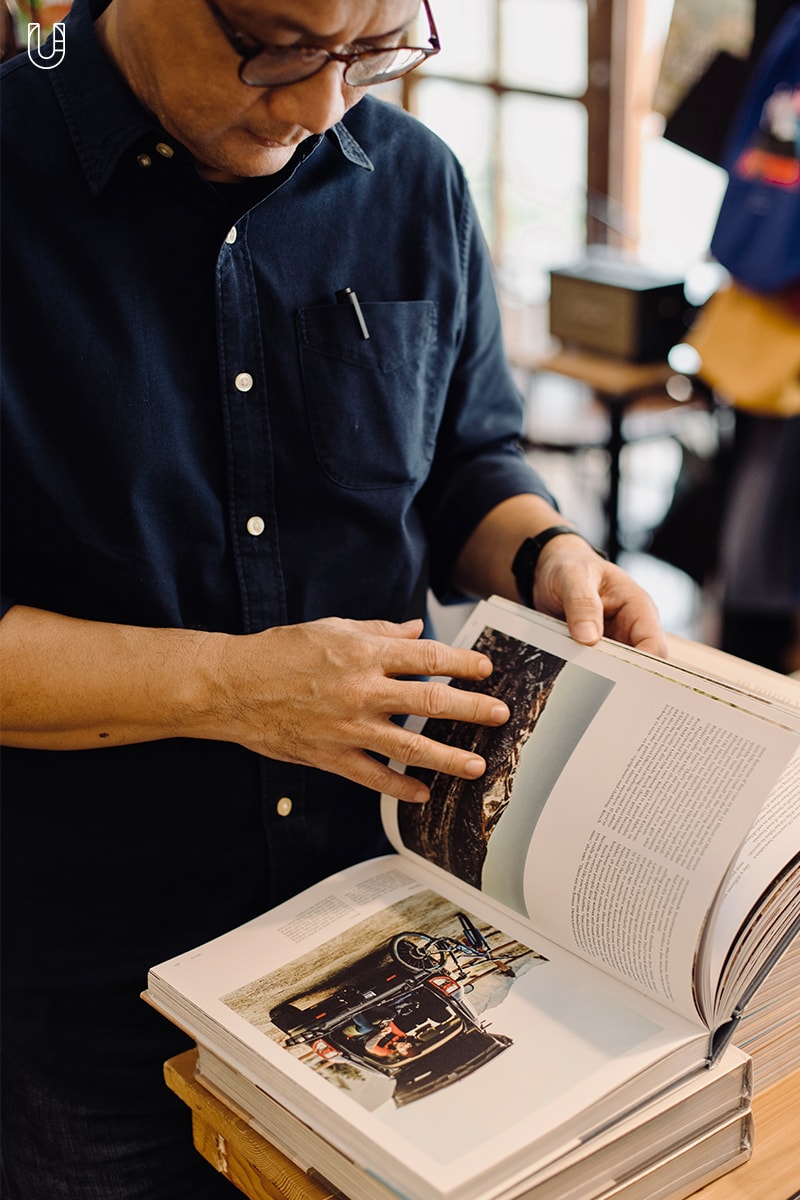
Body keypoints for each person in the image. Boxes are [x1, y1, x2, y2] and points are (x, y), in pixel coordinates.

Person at [0, 0, 666, 1196]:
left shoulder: (411, 178)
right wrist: (235, 688)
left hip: (391, 927)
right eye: (279, 47)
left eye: (369, 52)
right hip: (85, 983)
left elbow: (467, 459)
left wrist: (544, 552)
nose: (320, 109)